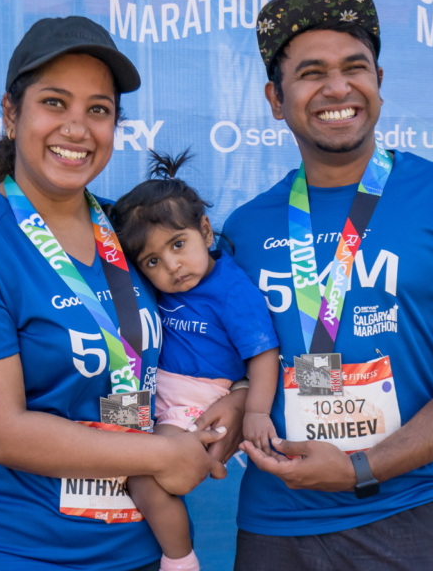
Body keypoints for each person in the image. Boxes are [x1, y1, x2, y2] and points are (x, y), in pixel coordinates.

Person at [0, 16, 247, 571]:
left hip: (143, 548)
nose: (77, 127)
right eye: (54, 103)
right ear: (11, 113)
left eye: (98, 109)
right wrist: (161, 452)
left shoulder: (132, 235)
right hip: (28, 553)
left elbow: (207, 330)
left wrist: (235, 401)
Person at [224, 0, 433, 570]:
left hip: (413, 516)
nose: (337, 88)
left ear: (380, 82)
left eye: (355, 67)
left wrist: (361, 466)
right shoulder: (245, 227)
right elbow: (228, 367)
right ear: (275, 97)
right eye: (311, 72)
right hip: (275, 524)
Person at [106, 150, 281, 571]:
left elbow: (263, 353)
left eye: (178, 244)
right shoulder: (157, 289)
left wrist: (254, 410)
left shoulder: (230, 288)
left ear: (205, 230)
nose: (172, 265)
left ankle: (180, 560)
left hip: (194, 401)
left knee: (146, 478)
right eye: (153, 261)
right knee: (110, 456)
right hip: (152, 394)